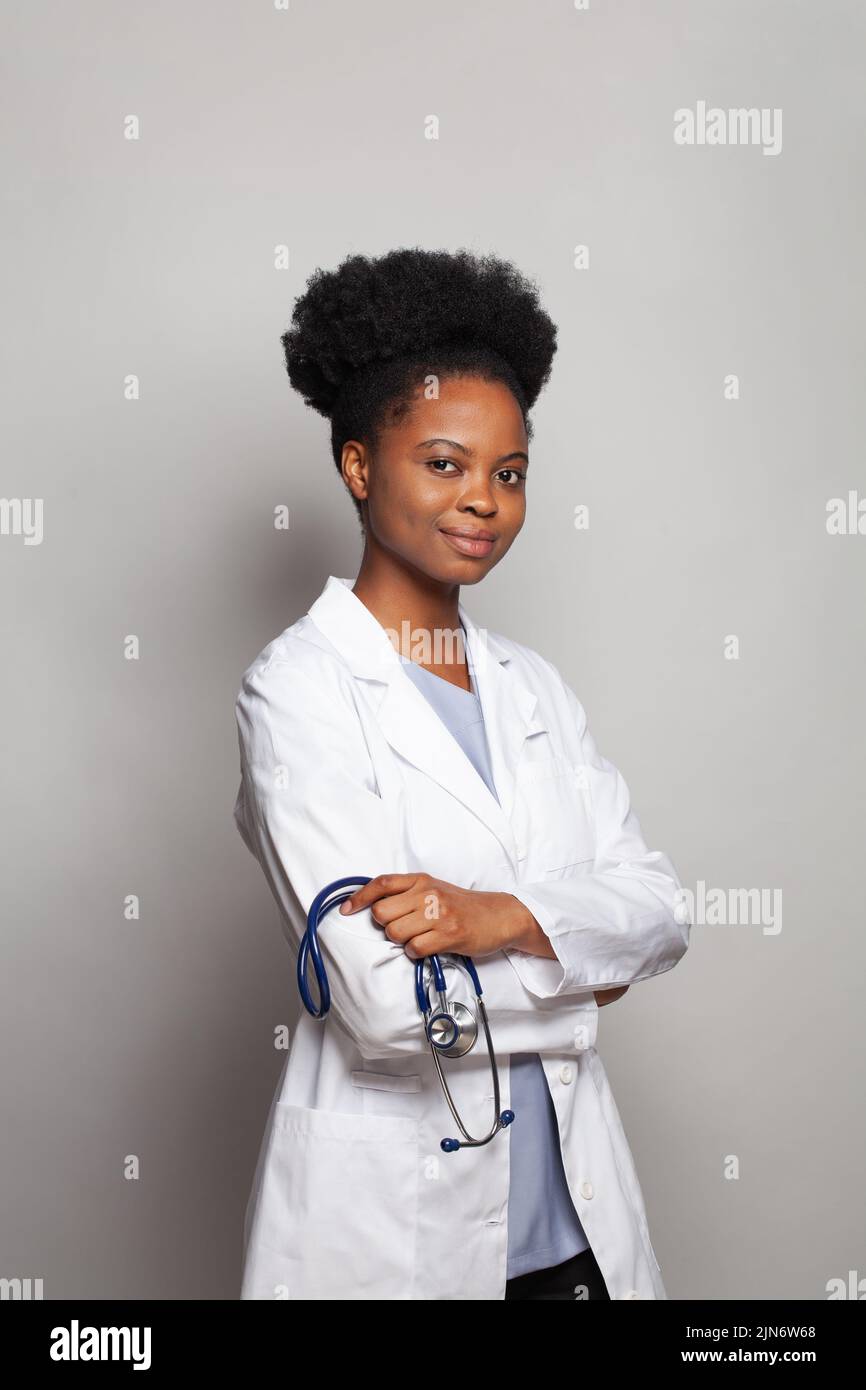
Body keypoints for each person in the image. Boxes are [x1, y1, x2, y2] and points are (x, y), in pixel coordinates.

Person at [232, 247, 690, 1301]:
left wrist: (496, 918)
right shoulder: (297, 691)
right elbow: (388, 1011)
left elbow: (659, 912)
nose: (482, 499)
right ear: (357, 466)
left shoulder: (533, 689)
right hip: (397, 1242)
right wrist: (578, 962)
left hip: (575, 1233)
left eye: (508, 472)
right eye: (443, 463)